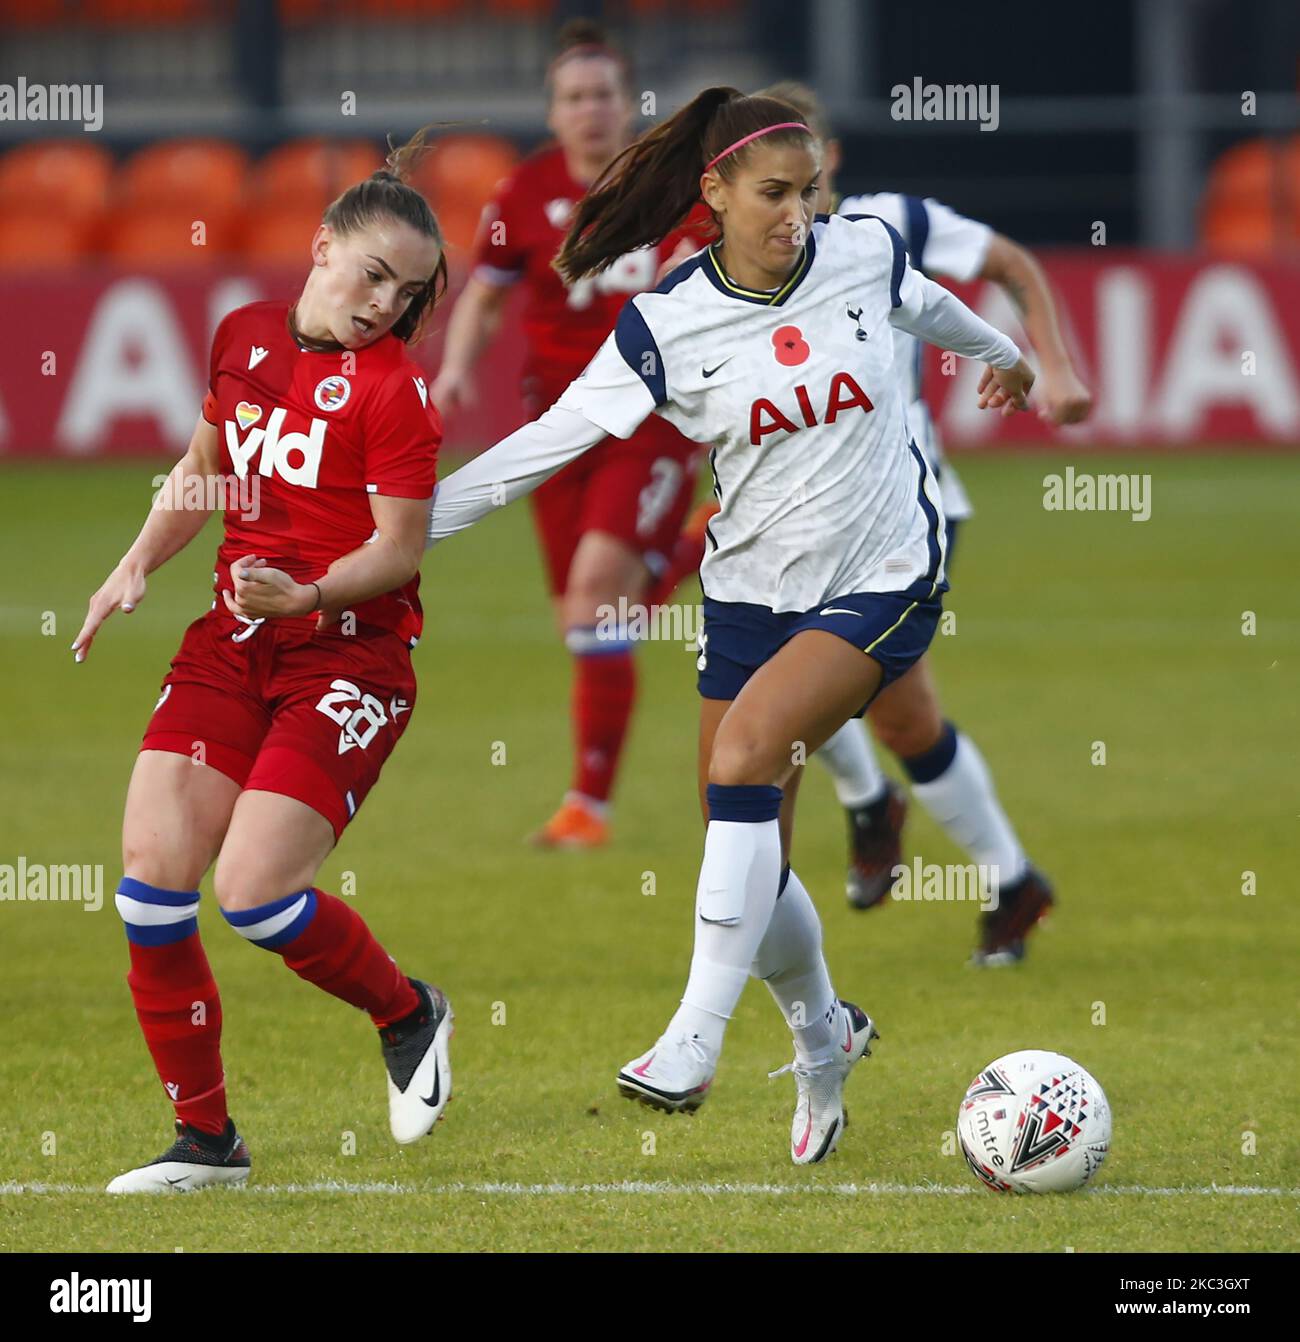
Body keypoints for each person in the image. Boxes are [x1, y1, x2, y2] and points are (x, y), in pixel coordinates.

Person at [425, 90, 1036, 1163]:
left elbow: (931, 306)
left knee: (747, 759)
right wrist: (403, 531)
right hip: (750, 591)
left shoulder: (859, 252)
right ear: (711, 194)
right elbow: (540, 445)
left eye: (806, 191)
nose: (797, 213)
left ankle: (690, 1038)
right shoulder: (663, 322)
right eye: (772, 194)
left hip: (886, 568)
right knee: (746, 850)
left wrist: (1007, 355)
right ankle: (823, 1040)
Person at [73, 135, 454, 1192]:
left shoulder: (393, 394)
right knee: (152, 888)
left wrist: (313, 593)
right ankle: (208, 1141)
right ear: (321, 246)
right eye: (372, 273)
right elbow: (203, 466)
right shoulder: (242, 336)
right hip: (234, 644)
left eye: (407, 291)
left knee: (253, 894)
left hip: (352, 658)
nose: (384, 303)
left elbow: (399, 549)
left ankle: (407, 1009)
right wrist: (134, 565)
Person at [752, 82, 1093, 966]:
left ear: (830, 162)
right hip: (794, 519)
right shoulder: (736, 264)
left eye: (807, 163)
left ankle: (893, 820)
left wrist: (1052, 366)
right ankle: (1005, 878)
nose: (796, 184)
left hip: (904, 510)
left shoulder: (886, 223)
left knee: (805, 698)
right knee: (863, 713)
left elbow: (1009, 261)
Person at [432, 20, 712, 849]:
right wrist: (454, 368)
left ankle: (587, 807)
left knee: (597, 596)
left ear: (629, 105)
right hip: (556, 425)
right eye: (574, 97)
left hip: (652, 417)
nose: (590, 110)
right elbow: (486, 294)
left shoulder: (679, 188)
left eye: (603, 95)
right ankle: (686, 551)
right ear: (553, 113)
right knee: (588, 622)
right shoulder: (522, 193)